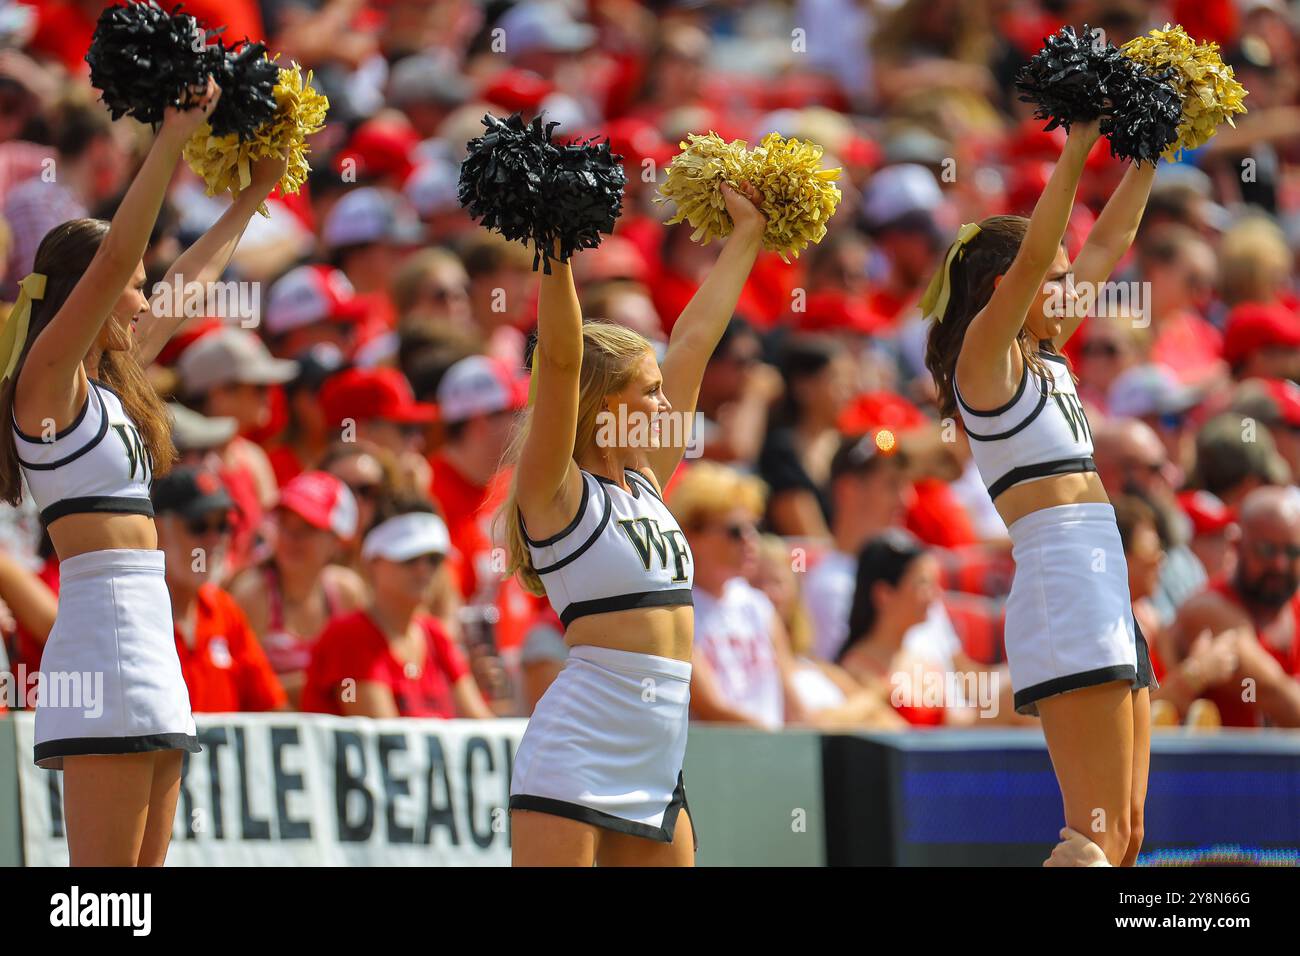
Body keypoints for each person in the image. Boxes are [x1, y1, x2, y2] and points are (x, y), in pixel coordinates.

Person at [0, 78, 287, 865]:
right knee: (101, 895)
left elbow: (188, 282)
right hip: (96, 636)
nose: (139, 300)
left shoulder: (111, 381)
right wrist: (171, 136)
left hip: (148, 630)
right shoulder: (46, 382)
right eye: (127, 290)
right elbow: (121, 251)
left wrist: (250, 197)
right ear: (82, 296)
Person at [499, 180, 766, 866]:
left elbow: (697, 339)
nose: (663, 401)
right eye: (649, 391)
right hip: (576, 754)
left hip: (657, 764)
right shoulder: (555, 491)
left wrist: (747, 236)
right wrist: (556, 254)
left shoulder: (646, 478)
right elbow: (559, 362)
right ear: (604, 403)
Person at [922, 118, 1159, 866]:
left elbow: (1109, 243)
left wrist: (1151, 146)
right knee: (1093, 836)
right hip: (1064, 581)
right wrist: (1079, 143)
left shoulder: (1045, 352)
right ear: (1007, 288)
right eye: (1053, 278)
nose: (1069, 286)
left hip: (1102, 580)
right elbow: (1036, 258)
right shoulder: (984, 364)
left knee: (1124, 834)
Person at [301, 499, 494, 719]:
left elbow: (482, 723)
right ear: (372, 561)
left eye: (434, 559)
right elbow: (387, 740)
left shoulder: (435, 636)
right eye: (409, 558)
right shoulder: (348, 637)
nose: (424, 570)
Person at [152, 466, 286, 714]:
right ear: (157, 530)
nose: (214, 540)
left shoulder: (224, 611)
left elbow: (272, 708)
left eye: (224, 526)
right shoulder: (130, 614)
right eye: (199, 526)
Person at [227, 471, 367, 707]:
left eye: (308, 528)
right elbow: (244, 691)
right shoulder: (252, 595)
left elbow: (361, 680)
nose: (291, 538)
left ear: (338, 541)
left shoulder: (347, 591)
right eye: (285, 524)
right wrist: (320, 684)